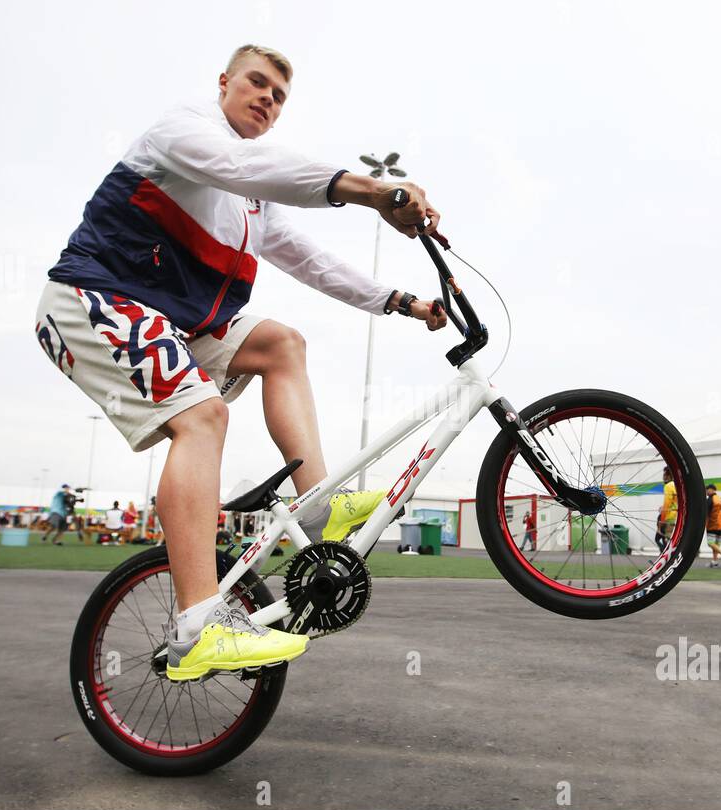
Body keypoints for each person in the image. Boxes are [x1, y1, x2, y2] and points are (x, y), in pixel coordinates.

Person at [35, 44, 447, 681]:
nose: (267, 99)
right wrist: (370, 189)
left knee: (282, 343)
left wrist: (399, 300)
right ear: (223, 82)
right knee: (202, 417)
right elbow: (242, 165)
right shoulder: (184, 132)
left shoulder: (255, 207)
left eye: (279, 97)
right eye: (257, 84)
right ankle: (199, 624)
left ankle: (316, 504)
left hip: (170, 322)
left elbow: (313, 262)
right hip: (90, 299)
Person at [704, 485, 721, 568]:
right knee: (716, 545)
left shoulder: (710, 500)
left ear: (712, 490)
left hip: (712, 525)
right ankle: (715, 561)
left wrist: (704, 525)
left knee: (710, 543)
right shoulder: (720, 499)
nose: (706, 491)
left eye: (707, 489)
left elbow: (706, 514)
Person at [658, 466, 677, 552]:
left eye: (664, 475)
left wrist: (661, 520)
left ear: (668, 476)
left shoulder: (669, 486)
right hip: (677, 516)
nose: (663, 477)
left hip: (670, 517)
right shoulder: (676, 485)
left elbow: (667, 504)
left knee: (668, 540)